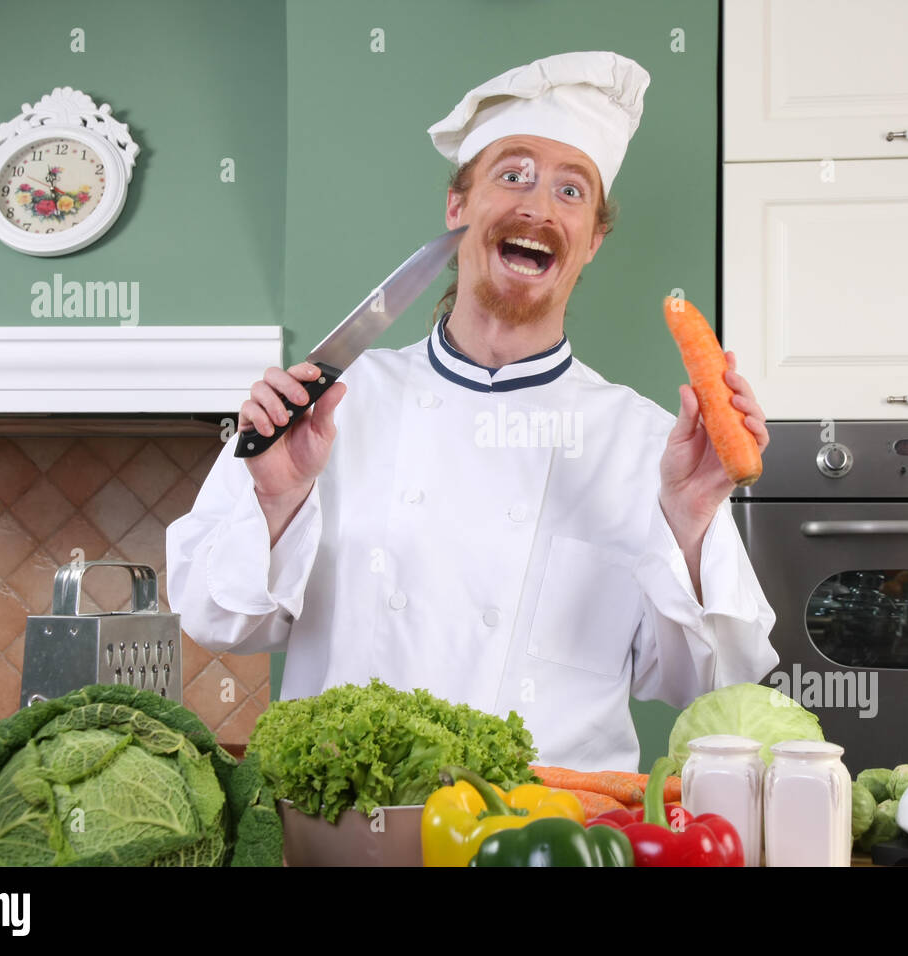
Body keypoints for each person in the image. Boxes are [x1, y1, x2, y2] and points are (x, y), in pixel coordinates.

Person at [166, 51, 778, 771]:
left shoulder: (645, 444)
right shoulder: (326, 411)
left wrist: (692, 519)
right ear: (458, 209)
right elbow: (217, 619)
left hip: (549, 838)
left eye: (571, 190)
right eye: (512, 175)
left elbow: (709, 681)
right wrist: (275, 499)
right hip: (354, 835)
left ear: (593, 243)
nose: (539, 206)